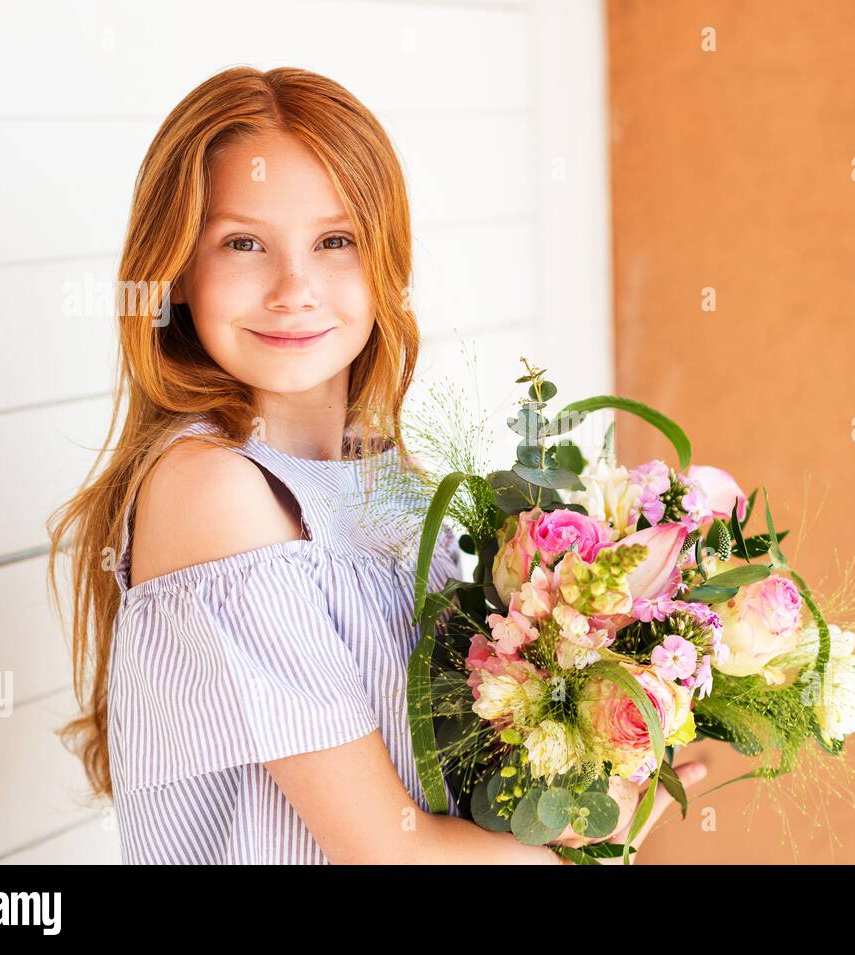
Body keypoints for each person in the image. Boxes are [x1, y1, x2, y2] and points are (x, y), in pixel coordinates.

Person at [46, 66, 705, 864]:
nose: (295, 289)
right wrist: (598, 841)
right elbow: (394, 853)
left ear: (383, 259)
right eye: (244, 243)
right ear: (179, 269)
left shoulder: (394, 483)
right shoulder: (214, 489)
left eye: (334, 241)